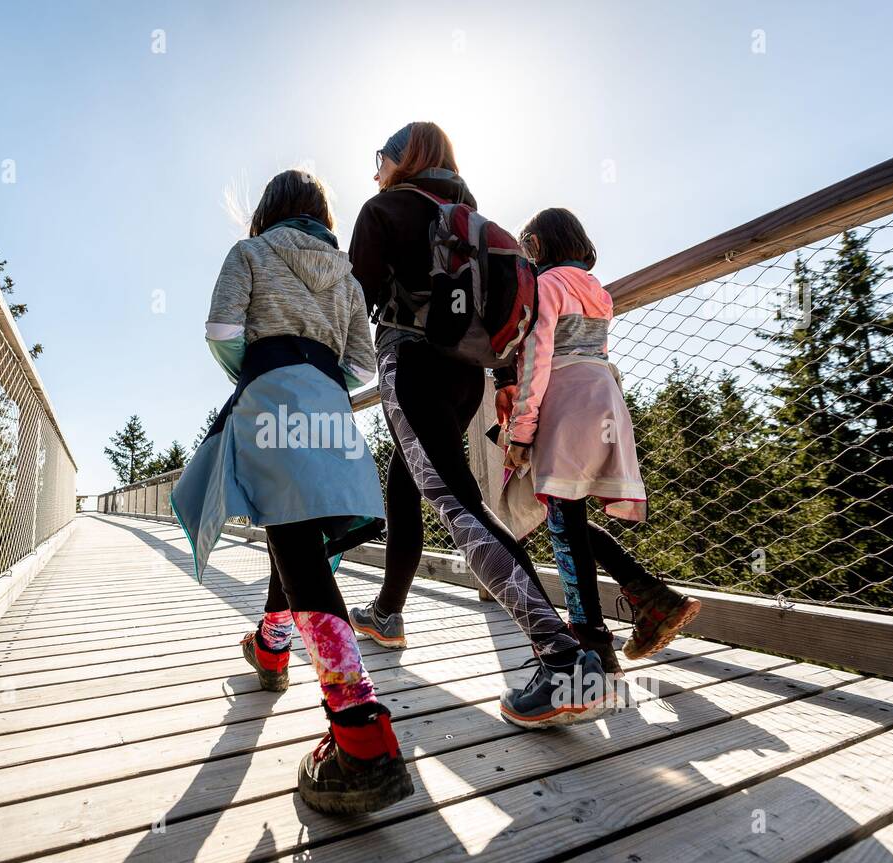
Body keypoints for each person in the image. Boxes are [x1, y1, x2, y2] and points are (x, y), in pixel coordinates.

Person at [347, 122, 611, 728]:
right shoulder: (467, 218)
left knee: (456, 500)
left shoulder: (384, 209)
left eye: (379, 159)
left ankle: (563, 657)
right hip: (467, 376)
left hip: (409, 361)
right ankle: (387, 611)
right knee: (410, 478)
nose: (375, 171)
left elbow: (351, 301)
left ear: (400, 158)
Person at [171, 169, 412, 814]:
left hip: (272, 395)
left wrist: (256, 369)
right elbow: (362, 363)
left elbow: (221, 331)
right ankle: (271, 646)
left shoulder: (249, 253)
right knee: (301, 531)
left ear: (268, 210)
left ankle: (360, 731)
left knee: (297, 549)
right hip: (331, 405)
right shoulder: (345, 275)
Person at [500, 208, 701, 672]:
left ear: (535, 244)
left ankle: (592, 643)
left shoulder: (545, 287)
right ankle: (650, 596)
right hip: (604, 395)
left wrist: (521, 430)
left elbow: (537, 361)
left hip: (565, 399)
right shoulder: (599, 293)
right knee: (565, 512)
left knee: (562, 517)